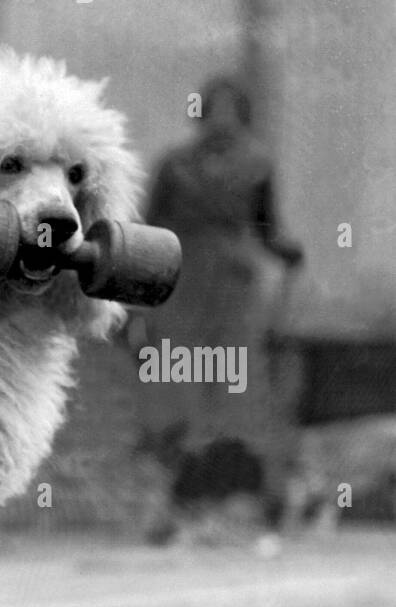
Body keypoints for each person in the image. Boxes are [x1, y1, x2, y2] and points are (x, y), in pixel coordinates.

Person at [134, 74, 303, 532]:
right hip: (181, 286)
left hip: (232, 291)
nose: (222, 119)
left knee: (235, 393)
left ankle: (239, 503)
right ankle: (165, 505)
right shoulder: (173, 165)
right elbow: (149, 227)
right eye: (215, 108)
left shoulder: (258, 165)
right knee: (176, 388)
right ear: (201, 112)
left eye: (232, 109)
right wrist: (134, 297)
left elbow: (270, 231)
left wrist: (289, 253)